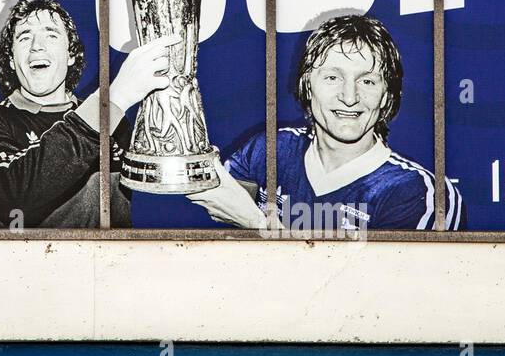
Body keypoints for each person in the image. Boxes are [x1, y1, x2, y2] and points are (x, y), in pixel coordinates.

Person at [194, 14, 464, 232]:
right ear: (307, 86)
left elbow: (370, 293)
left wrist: (258, 224)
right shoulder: (272, 150)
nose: (349, 97)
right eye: (332, 78)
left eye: (367, 81)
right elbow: (224, 207)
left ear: (386, 96)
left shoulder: (420, 193)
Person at [0, 0, 183, 228]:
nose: (37, 46)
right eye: (25, 38)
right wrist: (113, 100)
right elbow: (11, 197)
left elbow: (157, 201)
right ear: (12, 61)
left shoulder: (114, 122)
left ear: (71, 55)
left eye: (51, 35)